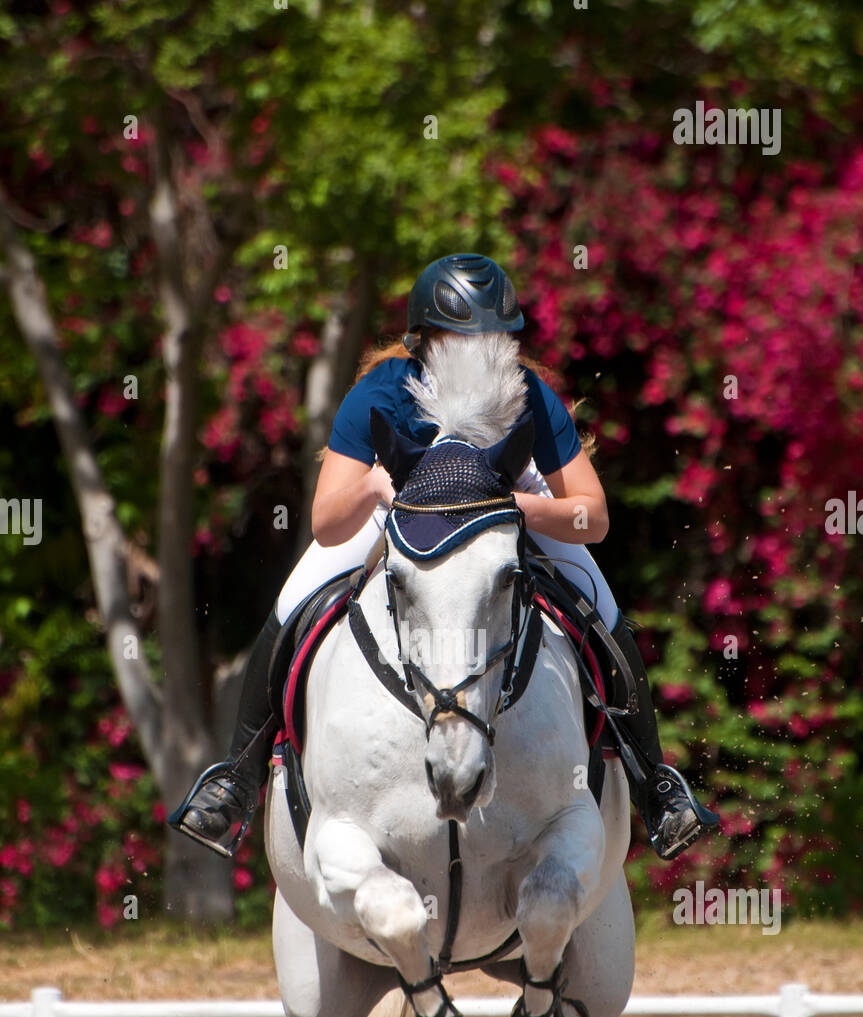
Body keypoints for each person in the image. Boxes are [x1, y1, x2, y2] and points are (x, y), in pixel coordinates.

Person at [170, 253, 719, 859]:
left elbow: (594, 515)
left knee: (604, 612)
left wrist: (516, 506)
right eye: (462, 337)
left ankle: (658, 789)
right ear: (425, 338)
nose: (482, 349)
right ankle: (237, 780)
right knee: (293, 601)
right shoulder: (380, 393)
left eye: (494, 337)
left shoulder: (530, 393)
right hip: (399, 518)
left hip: (510, 517)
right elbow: (327, 524)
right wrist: (375, 487)